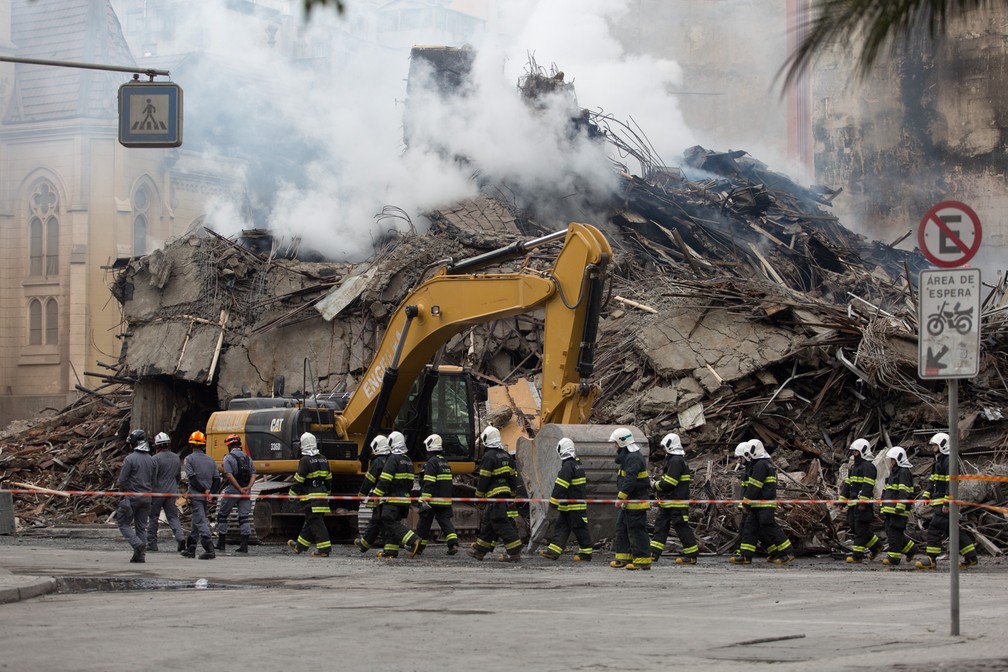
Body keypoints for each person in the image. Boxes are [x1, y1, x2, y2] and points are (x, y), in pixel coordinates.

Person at [916, 432, 979, 570]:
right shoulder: (939, 461)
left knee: (935, 528)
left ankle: (931, 559)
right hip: (940, 502)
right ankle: (971, 556)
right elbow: (932, 481)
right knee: (953, 530)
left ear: (943, 446)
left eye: (935, 445)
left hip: (945, 504)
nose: (932, 448)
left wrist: (946, 503)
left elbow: (951, 484)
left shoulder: (949, 461)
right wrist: (926, 496)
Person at [730, 439, 794, 565]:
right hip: (756, 505)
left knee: (769, 527)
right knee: (750, 528)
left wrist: (745, 503)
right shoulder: (762, 464)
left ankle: (787, 552)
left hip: (763, 505)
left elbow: (754, 487)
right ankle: (745, 556)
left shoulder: (760, 465)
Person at [469, 425, 523, 562]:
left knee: (500, 522)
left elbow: (483, 479)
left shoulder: (489, 457)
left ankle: (514, 551)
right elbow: (513, 477)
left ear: (487, 439)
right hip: (504, 495)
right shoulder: (507, 456)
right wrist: (513, 495)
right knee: (489, 522)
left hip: (494, 496)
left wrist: (478, 497)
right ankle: (479, 551)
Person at [539, 437, 592, 562]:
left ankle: (586, 553)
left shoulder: (568, 467)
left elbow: (560, 486)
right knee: (562, 527)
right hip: (569, 506)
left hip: (573, 506)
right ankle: (553, 551)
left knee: (579, 528)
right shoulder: (577, 465)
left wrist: (553, 501)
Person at [650, 432, 699, 564]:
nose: (663, 449)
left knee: (681, 527)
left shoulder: (676, 461)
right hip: (668, 502)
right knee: (660, 526)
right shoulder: (672, 460)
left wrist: (655, 485)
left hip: (676, 502)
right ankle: (653, 554)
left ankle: (691, 555)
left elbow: (670, 483)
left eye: (664, 447)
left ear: (670, 445)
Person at [371, 431, 422, 558]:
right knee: (392, 523)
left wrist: (376, 495)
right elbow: (410, 483)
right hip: (404, 499)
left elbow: (385, 480)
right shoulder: (408, 460)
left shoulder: (393, 459)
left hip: (392, 498)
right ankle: (390, 551)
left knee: (387, 520)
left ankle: (413, 540)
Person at [610, 427, 651, 571]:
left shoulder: (633, 458)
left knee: (636, 531)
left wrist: (621, 497)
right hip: (629, 501)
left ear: (621, 443)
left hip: (636, 502)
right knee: (622, 528)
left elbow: (630, 480)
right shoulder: (627, 457)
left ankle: (642, 560)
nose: (614, 445)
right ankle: (623, 557)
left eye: (615, 442)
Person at [286, 432, 333, 557]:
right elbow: (329, 479)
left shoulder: (305, 460)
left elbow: (299, 479)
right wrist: (327, 494)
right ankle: (299, 547)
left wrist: (292, 494)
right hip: (322, 496)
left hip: (311, 498)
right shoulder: (324, 458)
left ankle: (324, 549)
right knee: (310, 521)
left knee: (316, 523)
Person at [413, 434, 459, 556]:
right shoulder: (445, 463)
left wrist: (424, 499)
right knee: (445, 522)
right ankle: (453, 543)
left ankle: (419, 547)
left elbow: (429, 482)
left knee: (424, 523)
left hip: (432, 500)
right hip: (445, 500)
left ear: (429, 447)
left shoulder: (432, 462)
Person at [839, 438, 882, 563]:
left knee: (859, 528)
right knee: (855, 526)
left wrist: (863, 501)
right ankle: (876, 546)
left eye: (856, 452)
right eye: (853, 452)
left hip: (862, 506)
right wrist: (842, 500)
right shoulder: (854, 467)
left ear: (863, 451)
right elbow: (848, 484)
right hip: (853, 504)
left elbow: (867, 486)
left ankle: (857, 555)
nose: (854, 454)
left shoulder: (868, 467)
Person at [116, 429, 156, 563]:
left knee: (123, 523)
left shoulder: (130, 459)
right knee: (141, 527)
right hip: (147, 498)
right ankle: (140, 556)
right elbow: (154, 481)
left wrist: (122, 493)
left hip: (132, 497)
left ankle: (136, 544)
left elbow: (122, 481)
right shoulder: (152, 460)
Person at [181, 431, 220, 560]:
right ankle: (191, 548)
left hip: (197, 494)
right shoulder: (211, 460)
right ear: (203, 445)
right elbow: (216, 479)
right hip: (205, 495)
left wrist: (204, 490)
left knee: (201, 521)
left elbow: (192, 479)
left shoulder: (189, 459)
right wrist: (211, 492)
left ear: (191, 445)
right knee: (197, 520)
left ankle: (209, 548)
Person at [215, 433, 257, 554]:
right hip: (246, 492)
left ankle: (221, 544)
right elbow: (253, 474)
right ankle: (244, 546)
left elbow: (229, 475)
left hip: (232, 491)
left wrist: (238, 488)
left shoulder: (228, 458)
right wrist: (247, 488)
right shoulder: (248, 458)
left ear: (229, 446)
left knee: (222, 515)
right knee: (244, 518)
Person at [146, 432, 186, 553]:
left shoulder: (154, 459)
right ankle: (180, 538)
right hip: (172, 492)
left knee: (153, 517)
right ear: (168, 444)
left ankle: (152, 544)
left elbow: (151, 477)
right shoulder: (175, 457)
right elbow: (178, 476)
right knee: (173, 517)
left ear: (157, 446)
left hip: (157, 493)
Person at [354, 435, 392, 554]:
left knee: (380, 520)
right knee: (377, 520)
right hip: (391, 496)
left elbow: (369, 480)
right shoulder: (391, 460)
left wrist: (361, 495)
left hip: (380, 495)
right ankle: (365, 543)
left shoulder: (377, 462)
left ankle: (391, 546)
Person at [880, 446, 917, 567]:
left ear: (898, 459)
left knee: (894, 534)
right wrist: (882, 504)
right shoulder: (894, 473)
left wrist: (900, 506)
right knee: (892, 532)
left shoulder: (904, 472)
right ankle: (910, 549)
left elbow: (904, 491)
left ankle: (894, 558)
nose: (890, 462)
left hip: (898, 511)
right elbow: (887, 491)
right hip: (890, 510)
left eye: (892, 460)